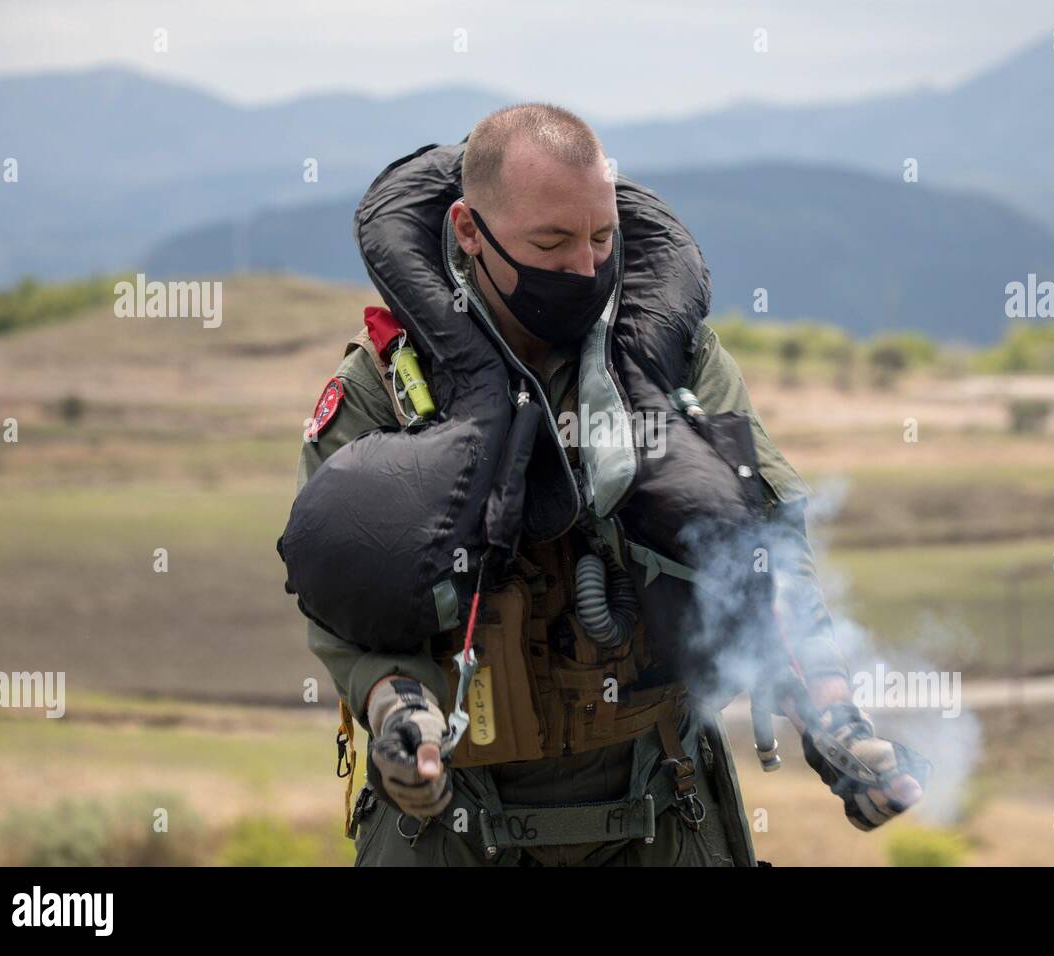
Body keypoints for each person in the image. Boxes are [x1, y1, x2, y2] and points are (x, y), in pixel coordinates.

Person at [295, 103, 923, 866]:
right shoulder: (382, 390)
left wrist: (835, 722)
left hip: (664, 809)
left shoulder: (671, 364)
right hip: (452, 827)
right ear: (468, 231)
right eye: (552, 243)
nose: (584, 269)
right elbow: (345, 607)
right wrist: (399, 713)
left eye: (600, 238)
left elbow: (760, 551)